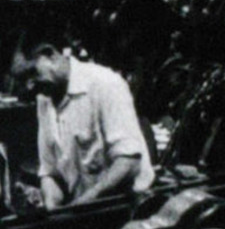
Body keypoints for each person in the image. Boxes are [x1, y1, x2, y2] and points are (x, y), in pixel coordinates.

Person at [27, 32, 150, 210]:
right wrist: (52, 205)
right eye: (22, 79)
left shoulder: (105, 84)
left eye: (32, 73)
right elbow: (50, 172)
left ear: (50, 54)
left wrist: (83, 204)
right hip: (85, 209)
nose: (29, 86)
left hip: (128, 208)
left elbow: (129, 162)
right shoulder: (44, 97)